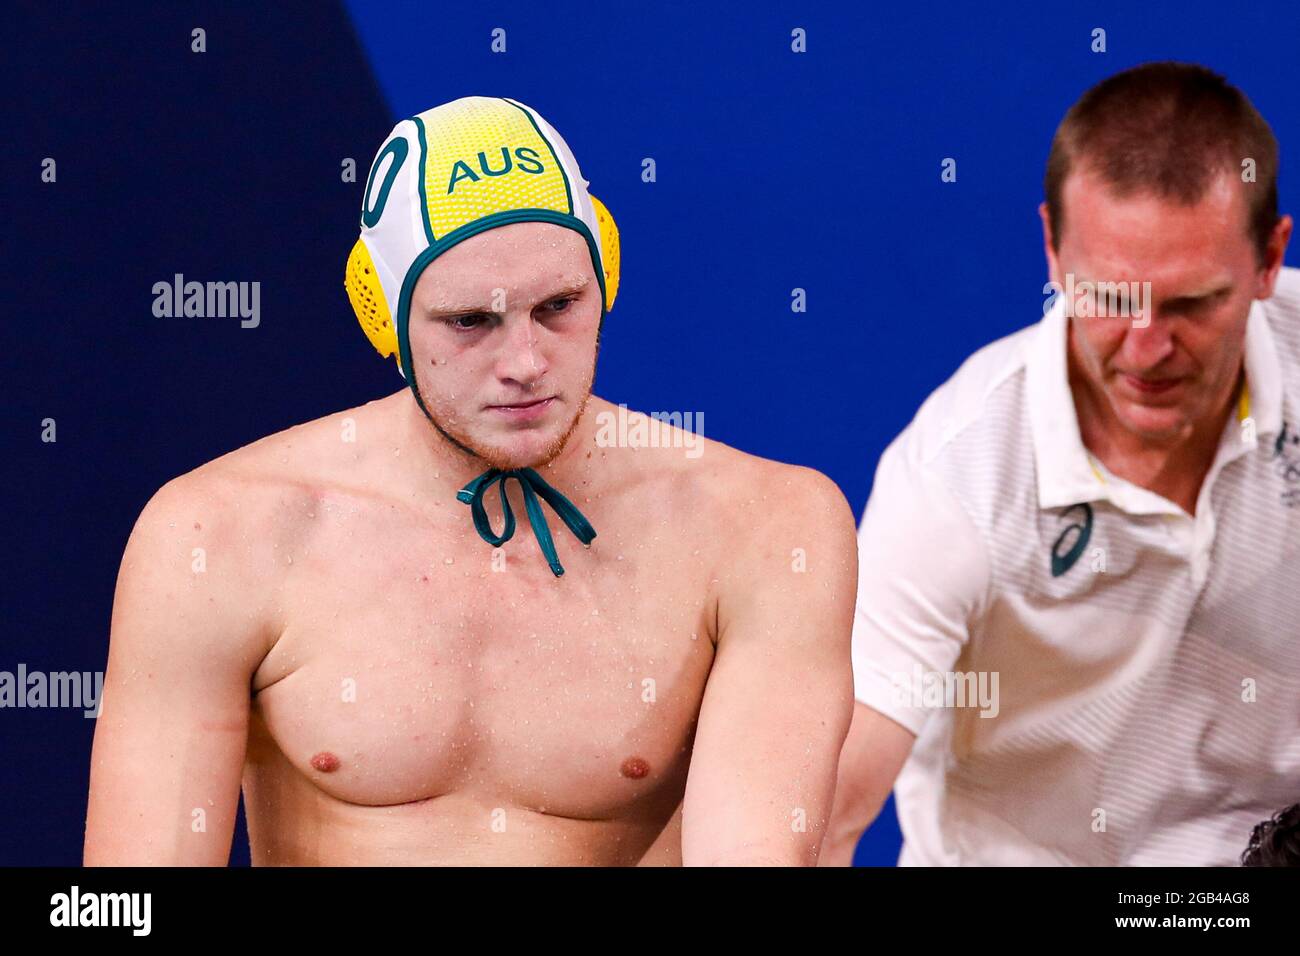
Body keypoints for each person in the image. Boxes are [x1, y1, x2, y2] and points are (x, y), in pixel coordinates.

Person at [84, 96, 857, 866]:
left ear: (606, 277)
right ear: (381, 315)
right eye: (470, 322)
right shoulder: (215, 535)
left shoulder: (764, 527)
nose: (524, 362)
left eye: (558, 306)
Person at [822, 62, 1299, 866]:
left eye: (1192, 303)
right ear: (1051, 249)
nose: (1147, 349)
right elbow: (824, 816)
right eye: (1109, 297)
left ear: (1269, 259)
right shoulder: (954, 479)